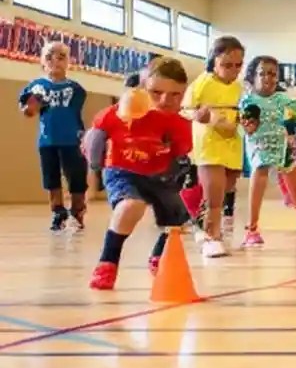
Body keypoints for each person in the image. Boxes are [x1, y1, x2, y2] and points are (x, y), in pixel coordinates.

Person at [83, 57, 194, 290]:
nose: (165, 100)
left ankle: (159, 257)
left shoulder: (179, 123)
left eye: (175, 94)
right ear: (141, 88)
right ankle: (107, 262)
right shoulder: (113, 115)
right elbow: (95, 140)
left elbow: (179, 153)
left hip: (159, 175)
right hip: (122, 171)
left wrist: (179, 170)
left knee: (177, 218)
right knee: (130, 206)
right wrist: (95, 166)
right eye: (156, 92)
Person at [239, 55, 296, 246]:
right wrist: (248, 120)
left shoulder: (283, 99)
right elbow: (246, 128)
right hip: (258, 144)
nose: (268, 78)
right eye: (262, 73)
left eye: (273, 74)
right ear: (253, 76)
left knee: (293, 182)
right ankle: (252, 227)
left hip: (282, 144)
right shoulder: (248, 100)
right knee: (260, 173)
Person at [184, 36, 245, 258]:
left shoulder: (239, 87)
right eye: (227, 65)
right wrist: (203, 117)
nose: (233, 70)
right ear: (214, 61)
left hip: (232, 140)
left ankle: (199, 223)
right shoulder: (203, 82)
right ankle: (212, 237)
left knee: (227, 186)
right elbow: (186, 109)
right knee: (215, 195)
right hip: (209, 142)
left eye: (238, 65)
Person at [18, 41, 88, 232]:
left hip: (72, 140)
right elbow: (27, 110)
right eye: (49, 56)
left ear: (68, 62)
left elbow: (74, 112)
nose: (55, 60)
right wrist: (31, 107)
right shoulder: (35, 86)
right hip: (47, 140)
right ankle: (58, 211)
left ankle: (77, 211)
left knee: (76, 178)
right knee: (51, 178)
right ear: (42, 61)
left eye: (61, 56)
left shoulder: (76, 89)